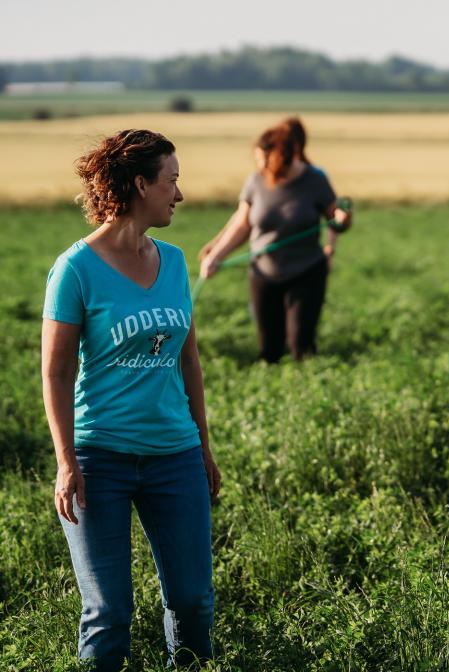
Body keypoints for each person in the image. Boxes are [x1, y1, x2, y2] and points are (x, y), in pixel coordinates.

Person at [42, 129, 220, 671]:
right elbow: (55, 370)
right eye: (172, 182)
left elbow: (189, 361)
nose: (179, 195)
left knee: (192, 603)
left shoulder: (174, 261)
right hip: (101, 460)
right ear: (140, 184)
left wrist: (204, 449)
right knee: (108, 612)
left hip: (176, 456)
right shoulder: (75, 269)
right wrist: (67, 462)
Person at [199, 117, 351, 362]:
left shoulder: (315, 180)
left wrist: (342, 223)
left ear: (281, 156)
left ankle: (305, 390)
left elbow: (336, 220)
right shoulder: (256, 181)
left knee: (301, 343)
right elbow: (241, 224)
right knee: (269, 350)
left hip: (307, 272)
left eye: (264, 159)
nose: (260, 166)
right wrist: (215, 256)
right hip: (263, 274)